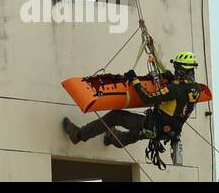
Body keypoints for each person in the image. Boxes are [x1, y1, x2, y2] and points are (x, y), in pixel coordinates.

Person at [62, 51, 202, 151]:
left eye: (177, 68)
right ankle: (111, 138)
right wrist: (170, 78)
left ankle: (79, 135)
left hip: (152, 126)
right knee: (131, 136)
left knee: (115, 116)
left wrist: (134, 80)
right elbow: (181, 95)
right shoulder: (196, 89)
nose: (175, 71)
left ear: (183, 70)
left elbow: (147, 97)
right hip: (168, 132)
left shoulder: (174, 89)